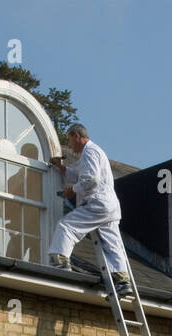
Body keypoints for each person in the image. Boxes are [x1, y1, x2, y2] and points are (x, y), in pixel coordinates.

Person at [48, 124, 132, 296]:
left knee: (67, 226)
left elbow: (91, 179)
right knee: (112, 244)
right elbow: (78, 175)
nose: (69, 146)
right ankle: (122, 281)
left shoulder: (90, 152)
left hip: (97, 203)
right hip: (109, 207)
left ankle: (60, 260)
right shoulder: (92, 154)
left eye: (69, 140)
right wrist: (61, 167)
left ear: (77, 136)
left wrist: (71, 191)